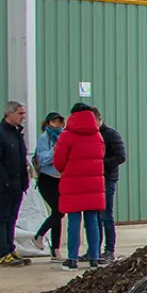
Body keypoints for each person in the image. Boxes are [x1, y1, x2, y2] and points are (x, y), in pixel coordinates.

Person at [52, 104, 107, 269]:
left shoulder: (67, 136)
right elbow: (101, 155)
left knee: (74, 222)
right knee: (92, 221)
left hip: (73, 184)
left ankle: (72, 259)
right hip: (93, 185)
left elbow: (58, 163)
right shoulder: (98, 135)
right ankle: (94, 257)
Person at [0, 101, 30, 267]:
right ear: (9, 114)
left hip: (18, 185)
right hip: (3, 187)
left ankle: (10, 248)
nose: (23, 117)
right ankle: (3, 252)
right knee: (2, 218)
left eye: (23, 113)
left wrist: (24, 180)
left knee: (12, 218)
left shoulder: (17, 134)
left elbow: (21, 159)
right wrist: (6, 182)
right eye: (20, 113)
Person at [32, 111, 65, 259]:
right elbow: (43, 159)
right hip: (47, 179)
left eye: (59, 122)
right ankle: (39, 235)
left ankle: (55, 249)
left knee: (57, 213)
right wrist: (55, 151)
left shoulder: (64, 137)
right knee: (59, 211)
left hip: (60, 179)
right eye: (54, 122)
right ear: (47, 123)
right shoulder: (44, 138)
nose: (57, 125)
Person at [95, 108, 127, 263]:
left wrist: (100, 164)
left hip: (108, 179)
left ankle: (109, 250)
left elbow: (121, 156)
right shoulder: (91, 135)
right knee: (94, 217)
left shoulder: (111, 134)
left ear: (99, 118)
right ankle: (94, 249)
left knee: (106, 215)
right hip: (95, 179)